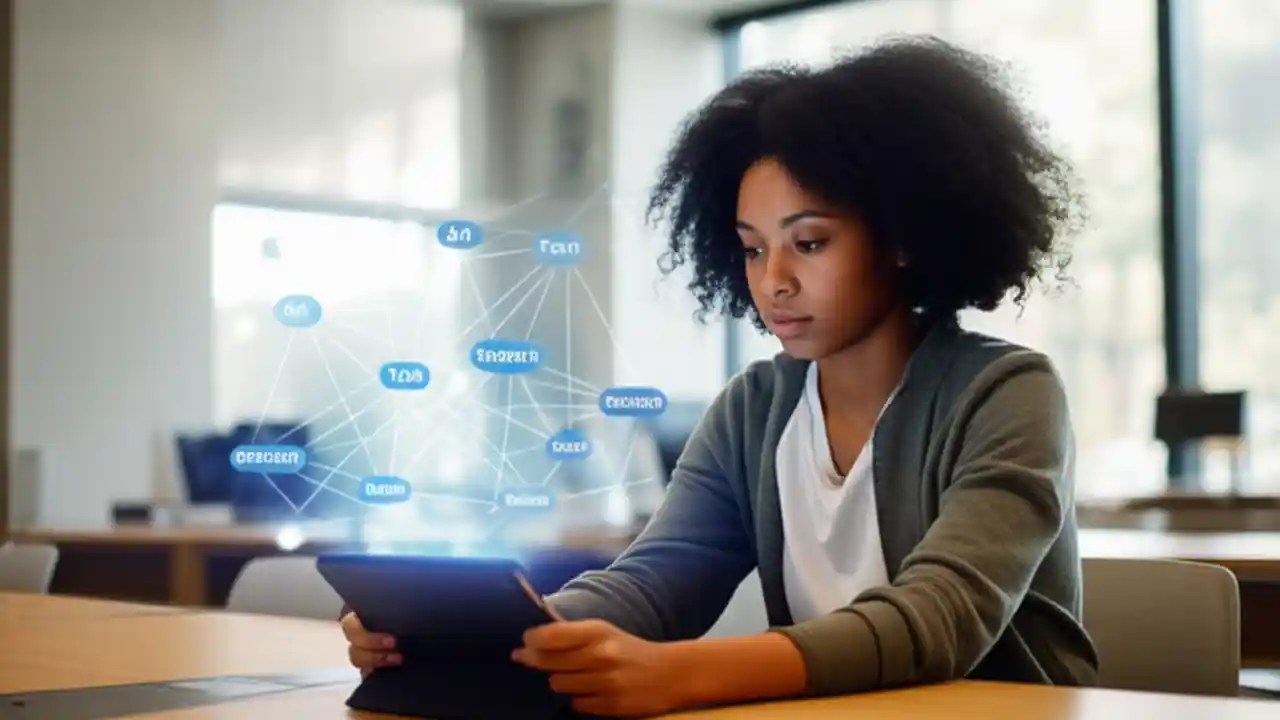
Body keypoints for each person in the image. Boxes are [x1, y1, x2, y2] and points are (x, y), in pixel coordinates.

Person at [343, 35, 1100, 717]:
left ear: (903, 236)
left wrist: (680, 675)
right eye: (749, 248)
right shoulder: (754, 409)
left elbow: (935, 620)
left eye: (808, 243)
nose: (772, 281)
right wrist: (484, 633)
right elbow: (655, 581)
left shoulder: (1007, 394)